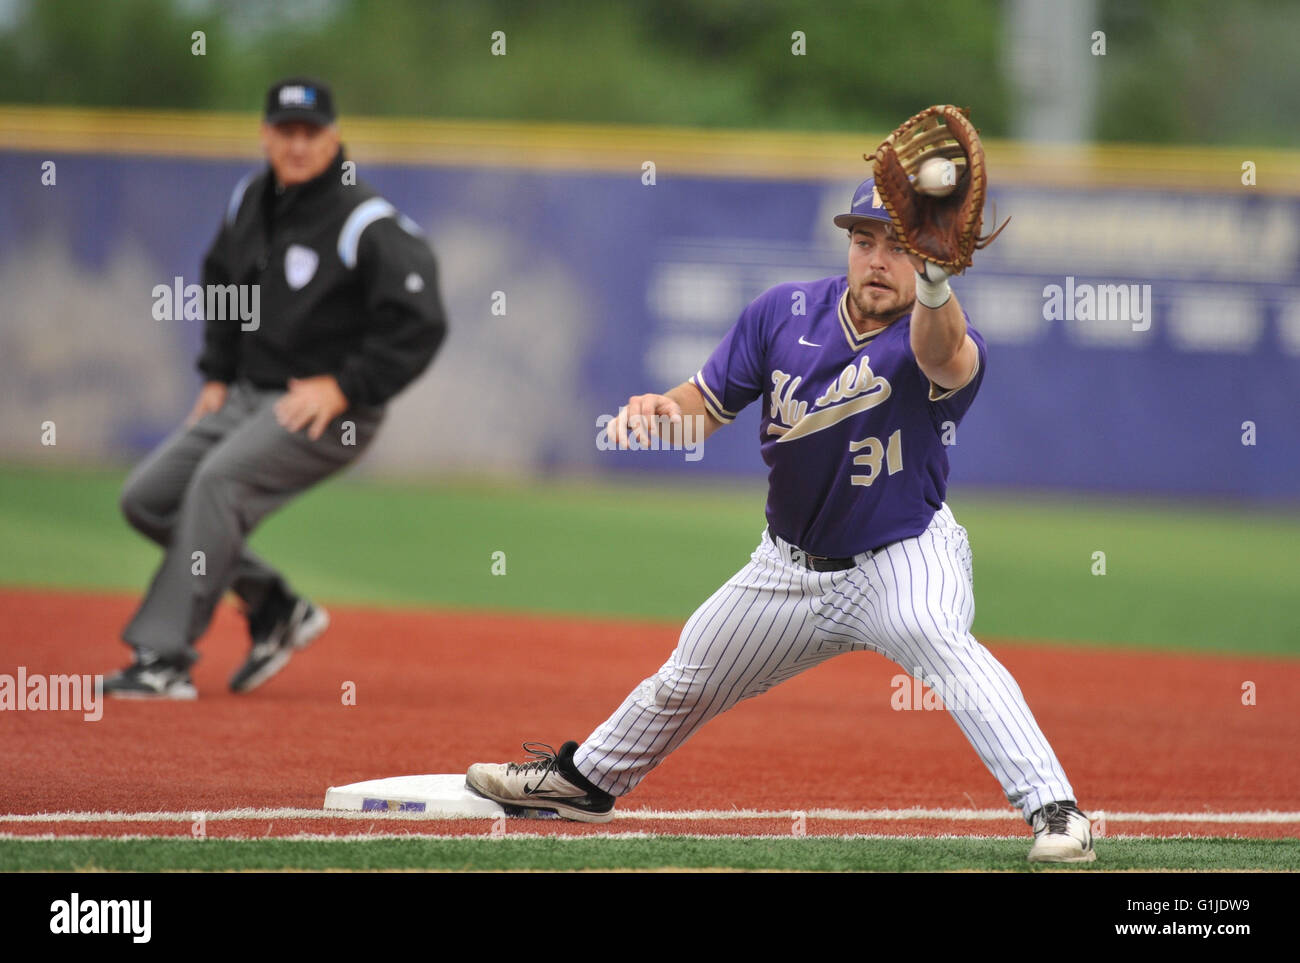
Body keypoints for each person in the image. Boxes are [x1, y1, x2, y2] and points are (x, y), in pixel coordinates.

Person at [466, 177, 1096, 863]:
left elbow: (948, 355)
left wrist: (939, 286)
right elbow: (703, 411)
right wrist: (660, 415)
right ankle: (584, 781)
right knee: (687, 674)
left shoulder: (934, 331)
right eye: (864, 241)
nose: (878, 259)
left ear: (929, 255)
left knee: (940, 641)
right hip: (788, 568)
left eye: (899, 245)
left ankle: (1056, 811)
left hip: (903, 556)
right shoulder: (783, 312)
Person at [106, 77, 446, 698]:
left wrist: (345, 387)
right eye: (284, 131)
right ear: (265, 135)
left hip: (328, 411)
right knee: (149, 498)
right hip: (247, 395)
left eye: (310, 132)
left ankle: (162, 657)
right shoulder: (250, 201)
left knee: (217, 483)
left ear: (334, 137)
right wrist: (216, 372)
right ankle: (272, 604)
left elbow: (420, 322)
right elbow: (221, 284)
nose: (296, 144)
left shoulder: (363, 220)